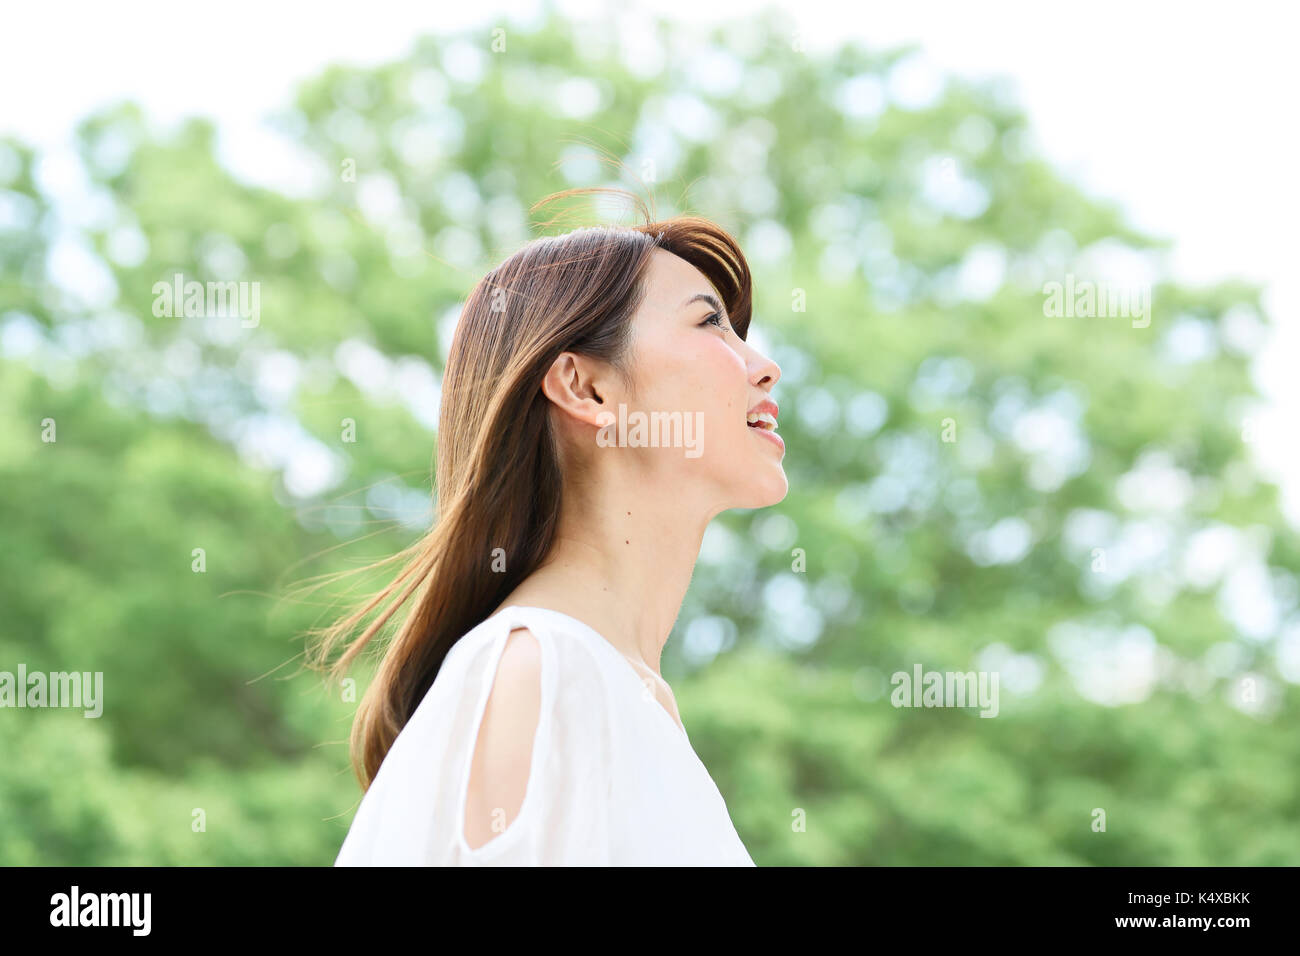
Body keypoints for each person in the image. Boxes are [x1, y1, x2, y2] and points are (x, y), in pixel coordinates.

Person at [316, 188, 786, 864]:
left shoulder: (620, 694)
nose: (762, 367)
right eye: (709, 323)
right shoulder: (546, 671)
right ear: (586, 388)